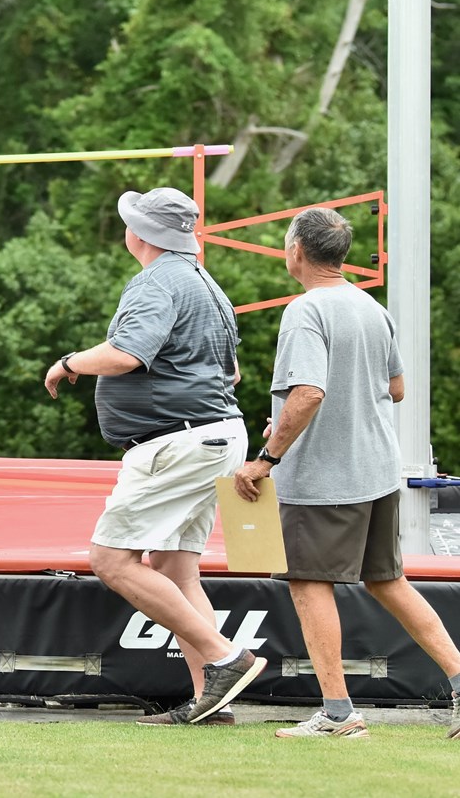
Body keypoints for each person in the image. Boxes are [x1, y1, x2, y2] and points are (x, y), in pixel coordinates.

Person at [234, 207, 460, 739]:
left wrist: (267, 459)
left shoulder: (305, 310)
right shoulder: (370, 306)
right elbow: (395, 388)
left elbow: (309, 391)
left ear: (296, 252)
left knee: (309, 583)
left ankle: (338, 714)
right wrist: (302, 415)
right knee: (388, 581)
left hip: (322, 479)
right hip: (376, 472)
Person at [44, 185, 268, 725]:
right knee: (174, 566)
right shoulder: (206, 285)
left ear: (139, 235)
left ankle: (226, 658)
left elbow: (125, 354)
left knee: (111, 560)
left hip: (177, 442)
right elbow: (230, 372)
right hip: (213, 436)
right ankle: (209, 700)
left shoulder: (156, 284)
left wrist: (70, 362)